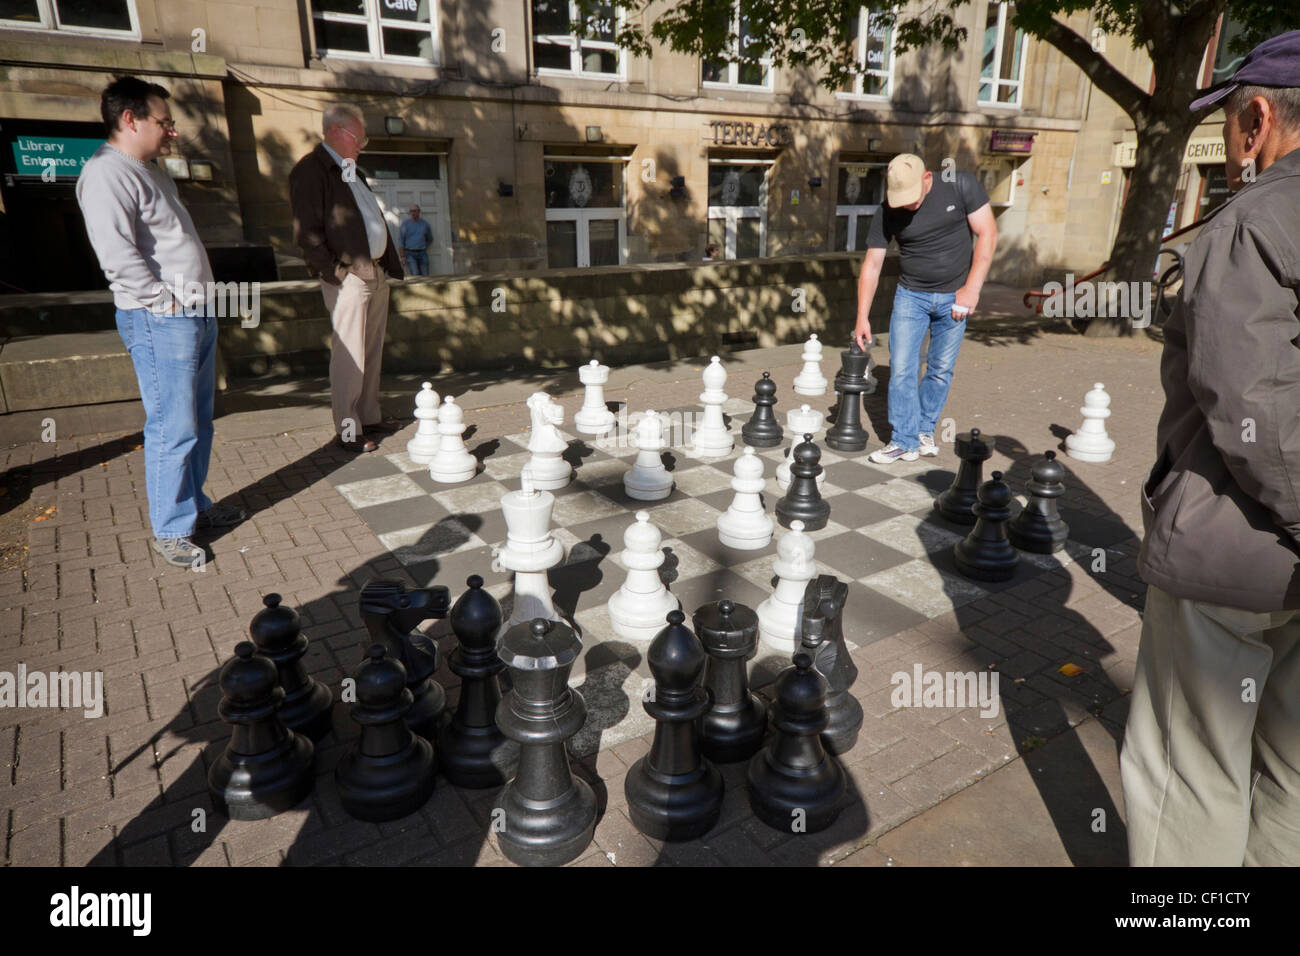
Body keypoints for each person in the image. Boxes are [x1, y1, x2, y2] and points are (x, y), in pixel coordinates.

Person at [1122, 29, 1300, 867]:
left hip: (1234, 552)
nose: (1230, 151)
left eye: (1229, 127)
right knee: (1289, 772)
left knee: (1187, 779)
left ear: (1259, 118)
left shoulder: (1253, 222)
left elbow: (1250, 409)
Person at [76, 76, 245, 569]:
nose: (172, 132)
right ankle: (171, 530)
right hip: (162, 320)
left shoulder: (150, 170)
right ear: (130, 119)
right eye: (164, 122)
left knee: (198, 422)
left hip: (193, 312)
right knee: (173, 427)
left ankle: (192, 508)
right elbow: (118, 255)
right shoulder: (108, 175)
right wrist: (164, 303)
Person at [853, 154, 997, 463]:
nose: (906, 205)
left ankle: (923, 430)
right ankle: (903, 440)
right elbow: (873, 264)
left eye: (912, 198)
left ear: (928, 178)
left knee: (940, 369)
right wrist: (862, 316)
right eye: (900, 199)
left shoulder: (960, 185)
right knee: (902, 368)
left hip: (955, 297)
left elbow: (988, 233)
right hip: (911, 297)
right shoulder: (887, 210)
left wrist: (971, 290)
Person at [289, 104, 405, 454]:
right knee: (350, 354)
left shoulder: (351, 169)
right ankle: (349, 429)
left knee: (370, 350)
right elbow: (307, 234)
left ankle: (369, 415)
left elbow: (365, 218)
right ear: (337, 132)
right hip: (349, 276)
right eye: (359, 137)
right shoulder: (311, 170)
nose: (363, 144)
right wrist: (337, 274)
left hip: (374, 271)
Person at [399, 205, 434, 276]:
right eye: (411, 211)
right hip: (410, 254)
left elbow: (430, 239)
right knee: (415, 275)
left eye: (414, 211)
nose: (413, 213)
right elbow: (401, 240)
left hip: (422, 253)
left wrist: (423, 245)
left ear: (419, 212)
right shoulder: (405, 224)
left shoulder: (425, 224)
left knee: (425, 274)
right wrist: (402, 256)